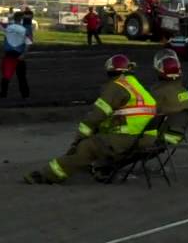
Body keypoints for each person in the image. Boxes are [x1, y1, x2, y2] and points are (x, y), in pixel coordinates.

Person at [24, 54, 158, 184]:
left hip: (131, 140)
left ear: (110, 71)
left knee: (87, 147)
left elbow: (95, 117)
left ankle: (48, 175)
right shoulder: (135, 85)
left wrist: (79, 139)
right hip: (147, 139)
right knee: (101, 140)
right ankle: (103, 168)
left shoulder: (115, 87)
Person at [149, 49, 188, 147]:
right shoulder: (185, 93)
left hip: (160, 137)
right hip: (177, 136)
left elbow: (148, 115)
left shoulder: (157, 93)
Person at [0, 10, 32, 99]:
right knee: (21, 77)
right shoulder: (25, 29)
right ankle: (25, 95)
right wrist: (23, 55)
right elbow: (28, 43)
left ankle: (3, 94)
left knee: (6, 77)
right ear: (21, 19)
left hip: (9, 56)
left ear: (14, 18)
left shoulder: (8, 27)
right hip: (19, 56)